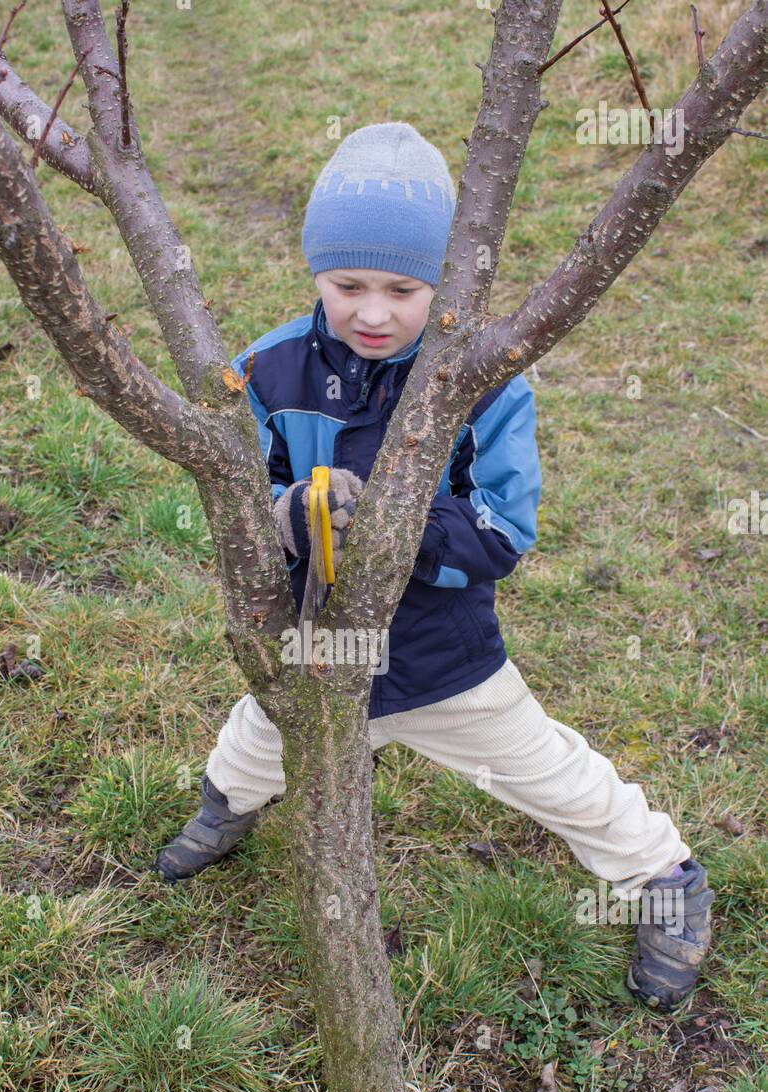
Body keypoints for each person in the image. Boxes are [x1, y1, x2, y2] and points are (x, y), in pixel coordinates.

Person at [154, 122, 713, 1014]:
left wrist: (388, 512)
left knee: (543, 771)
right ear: (315, 277)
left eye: (402, 290)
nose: (372, 313)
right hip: (312, 649)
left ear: (444, 284)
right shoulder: (264, 371)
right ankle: (225, 807)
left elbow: (502, 534)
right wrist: (288, 515)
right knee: (260, 735)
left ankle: (664, 874)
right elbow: (238, 498)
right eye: (347, 286)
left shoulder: (484, 381)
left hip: (439, 656)